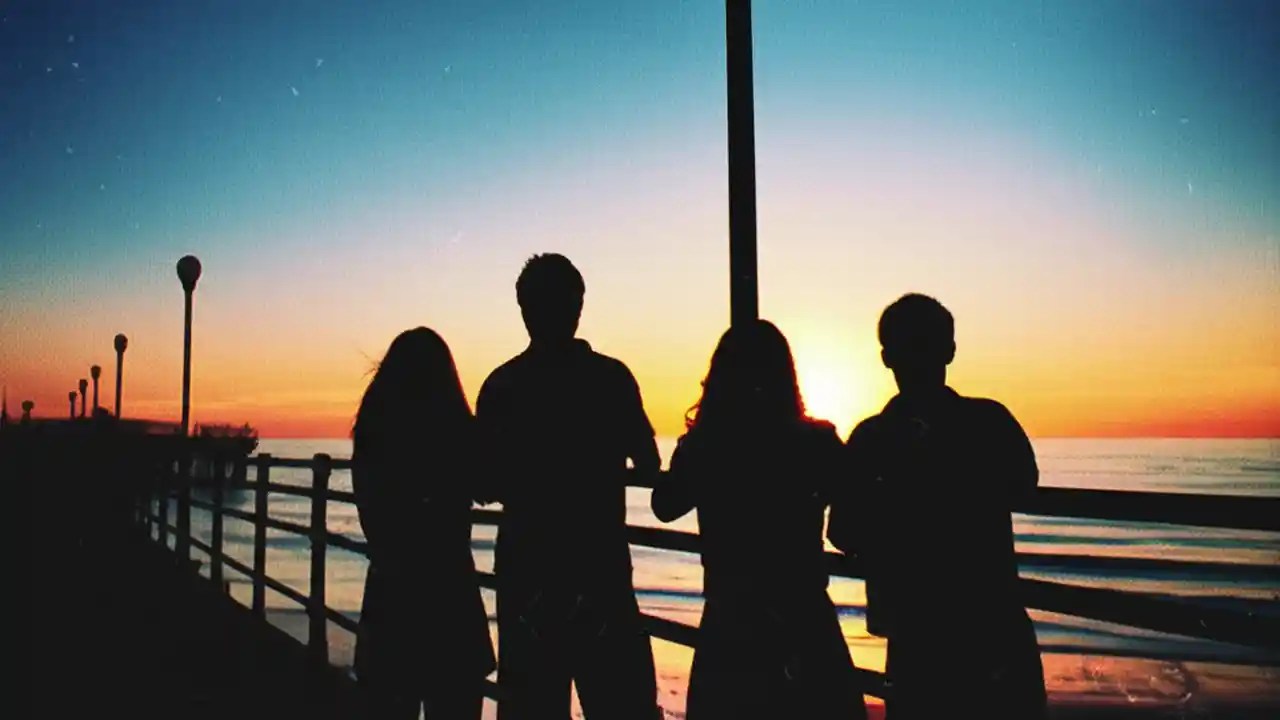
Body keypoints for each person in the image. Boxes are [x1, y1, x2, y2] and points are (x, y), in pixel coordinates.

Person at [828, 293, 1046, 720]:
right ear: (949, 349)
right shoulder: (989, 421)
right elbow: (1024, 485)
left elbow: (843, 532)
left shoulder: (870, 439)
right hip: (994, 628)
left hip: (915, 636)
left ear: (887, 357)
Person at [651, 320, 868, 720]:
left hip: (730, 623)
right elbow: (852, 520)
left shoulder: (706, 446)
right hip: (804, 619)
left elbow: (664, 505)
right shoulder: (816, 441)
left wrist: (689, 447)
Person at [476, 254, 661, 720]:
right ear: (578, 305)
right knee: (622, 705)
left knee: (530, 706)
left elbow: (484, 484)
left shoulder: (501, 386)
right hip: (601, 576)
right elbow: (649, 461)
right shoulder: (612, 379)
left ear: (524, 311)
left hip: (527, 580)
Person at [351, 327, 495, 720]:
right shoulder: (455, 430)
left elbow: (371, 508)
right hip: (450, 595)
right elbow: (490, 485)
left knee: (386, 701)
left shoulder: (373, 430)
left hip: (389, 593)